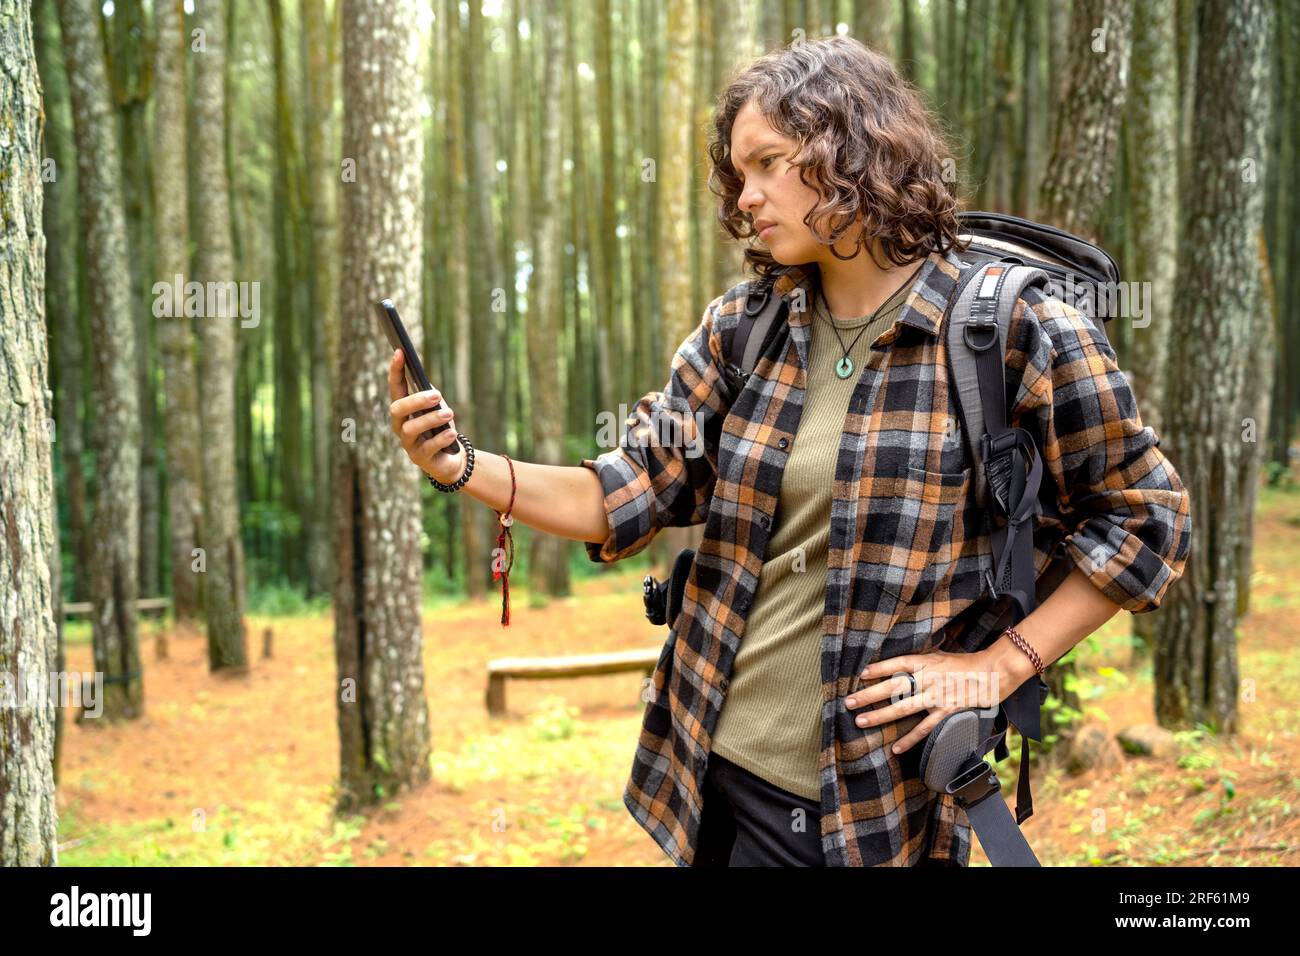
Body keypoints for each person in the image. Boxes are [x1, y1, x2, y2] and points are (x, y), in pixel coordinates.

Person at [386, 36, 1192, 867]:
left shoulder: (1010, 332)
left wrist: (997, 667)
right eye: (738, 175)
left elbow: (1148, 521)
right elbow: (628, 488)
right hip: (708, 773)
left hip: (869, 805)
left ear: (851, 148)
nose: (747, 197)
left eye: (769, 163)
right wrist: (464, 467)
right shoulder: (747, 326)